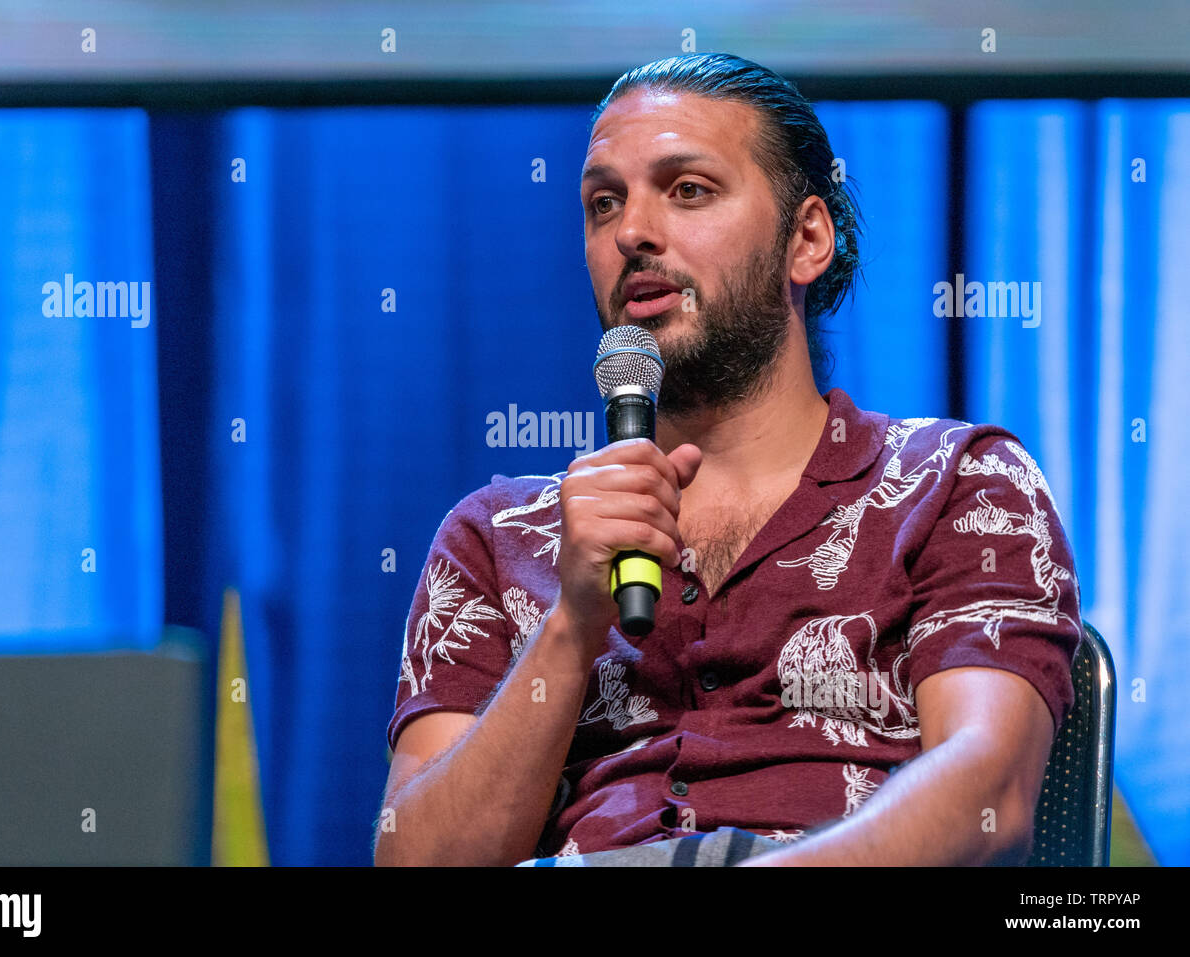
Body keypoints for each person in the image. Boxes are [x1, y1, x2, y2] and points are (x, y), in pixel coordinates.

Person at [373, 53, 1081, 867]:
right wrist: (571, 623)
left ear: (807, 238)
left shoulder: (957, 485)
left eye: (687, 190)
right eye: (604, 202)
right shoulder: (497, 537)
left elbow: (987, 797)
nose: (631, 231)